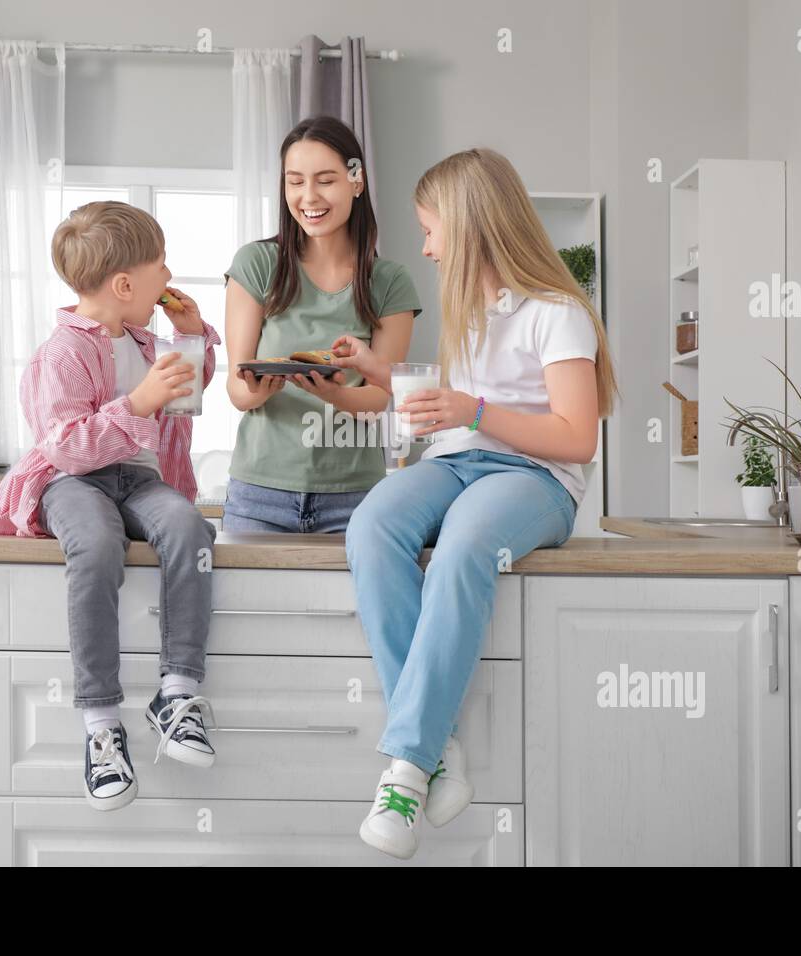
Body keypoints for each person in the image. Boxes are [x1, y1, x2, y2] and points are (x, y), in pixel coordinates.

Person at [337, 149, 618, 858]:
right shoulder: (469, 311)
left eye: (431, 229)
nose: (426, 246)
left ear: (470, 227)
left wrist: (476, 408)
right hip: (458, 461)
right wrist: (387, 375)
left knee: (465, 545)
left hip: (537, 481)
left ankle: (405, 770)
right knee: (372, 525)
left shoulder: (559, 314)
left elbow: (577, 437)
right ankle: (438, 748)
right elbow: (460, 408)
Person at [0, 201, 221, 811]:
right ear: (125, 285)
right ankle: (100, 722)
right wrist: (136, 403)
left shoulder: (145, 339)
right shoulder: (61, 352)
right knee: (95, 545)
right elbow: (61, 444)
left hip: (140, 479)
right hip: (74, 480)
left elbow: (187, 396)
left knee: (190, 529)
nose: (169, 279)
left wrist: (192, 336)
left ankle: (178, 691)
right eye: (161, 268)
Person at [222, 116, 420, 532]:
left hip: (354, 498)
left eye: (325, 180)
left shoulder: (389, 282)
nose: (308, 196)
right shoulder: (256, 264)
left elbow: (379, 398)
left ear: (356, 182)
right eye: (295, 181)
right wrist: (258, 388)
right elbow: (237, 391)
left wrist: (333, 394)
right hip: (259, 493)